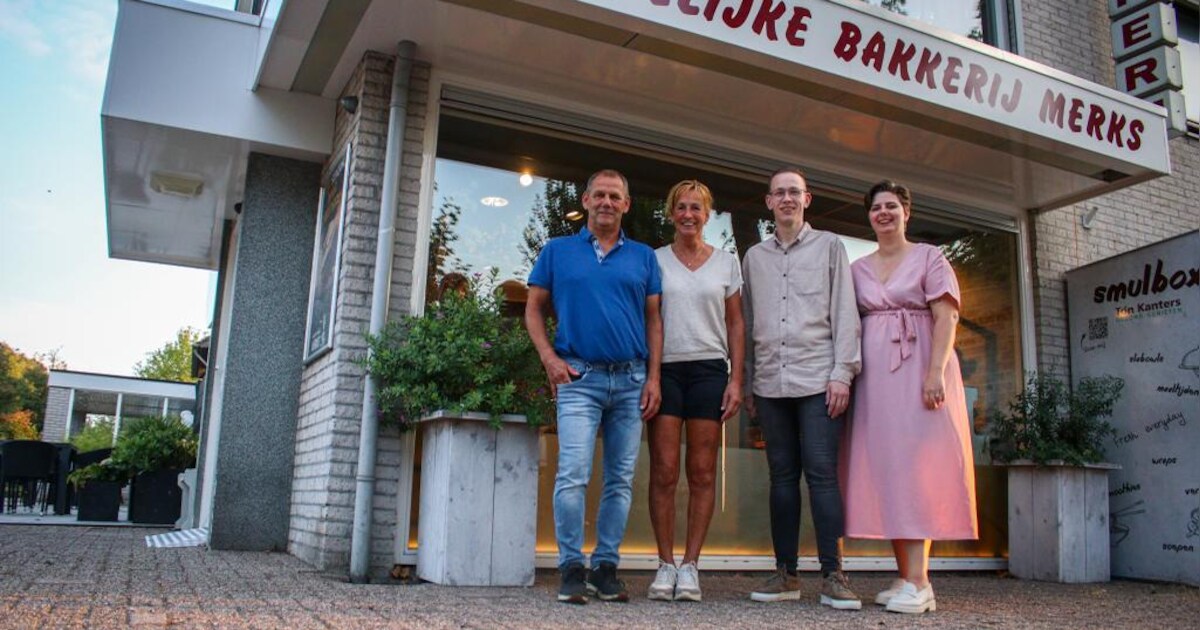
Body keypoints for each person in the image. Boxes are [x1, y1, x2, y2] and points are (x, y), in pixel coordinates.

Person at [525, 169, 663, 605]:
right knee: (573, 475)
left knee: (620, 480)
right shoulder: (557, 251)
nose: (606, 202)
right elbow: (533, 309)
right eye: (599, 195)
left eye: (615, 196)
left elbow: (654, 320)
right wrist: (549, 359)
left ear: (626, 205)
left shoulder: (643, 257)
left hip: (631, 380)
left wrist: (654, 377)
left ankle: (605, 568)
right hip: (578, 378)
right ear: (585, 200)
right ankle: (570, 568)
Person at [843, 180, 978, 614]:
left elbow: (947, 315)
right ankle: (905, 576)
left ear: (906, 212)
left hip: (920, 372)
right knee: (889, 470)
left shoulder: (929, 257)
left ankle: (920, 582)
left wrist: (934, 372)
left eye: (891, 206)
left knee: (917, 469)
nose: (883, 213)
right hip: (876, 383)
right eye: (876, 207)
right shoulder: (858, 269)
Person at [741, 167, 862, 610]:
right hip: (770, 382)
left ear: (807, 199)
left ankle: (834, 574)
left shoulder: (830, 247)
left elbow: (845, 311)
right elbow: (748, 321)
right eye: (779, 193)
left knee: (822, 475)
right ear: (769, 202)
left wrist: (843, 373)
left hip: (818, 380)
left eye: (795, 191)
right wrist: (749, 379)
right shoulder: (754, 257)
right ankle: (786, 573)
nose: (787, 199)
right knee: (782, 478)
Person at [646, 180, 744, 602]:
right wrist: (651, 376)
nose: (688, 214)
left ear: (707, 214)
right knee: (664, 471)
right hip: (665, 369)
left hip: (709, 370)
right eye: (681, 207)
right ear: (671, 213)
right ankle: (665, 564)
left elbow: (736, 323)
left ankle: (690, 566)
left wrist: (736, 379)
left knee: (702, 472)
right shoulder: (654, 260)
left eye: (696, 208)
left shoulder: (726, 263)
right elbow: (651, 319)